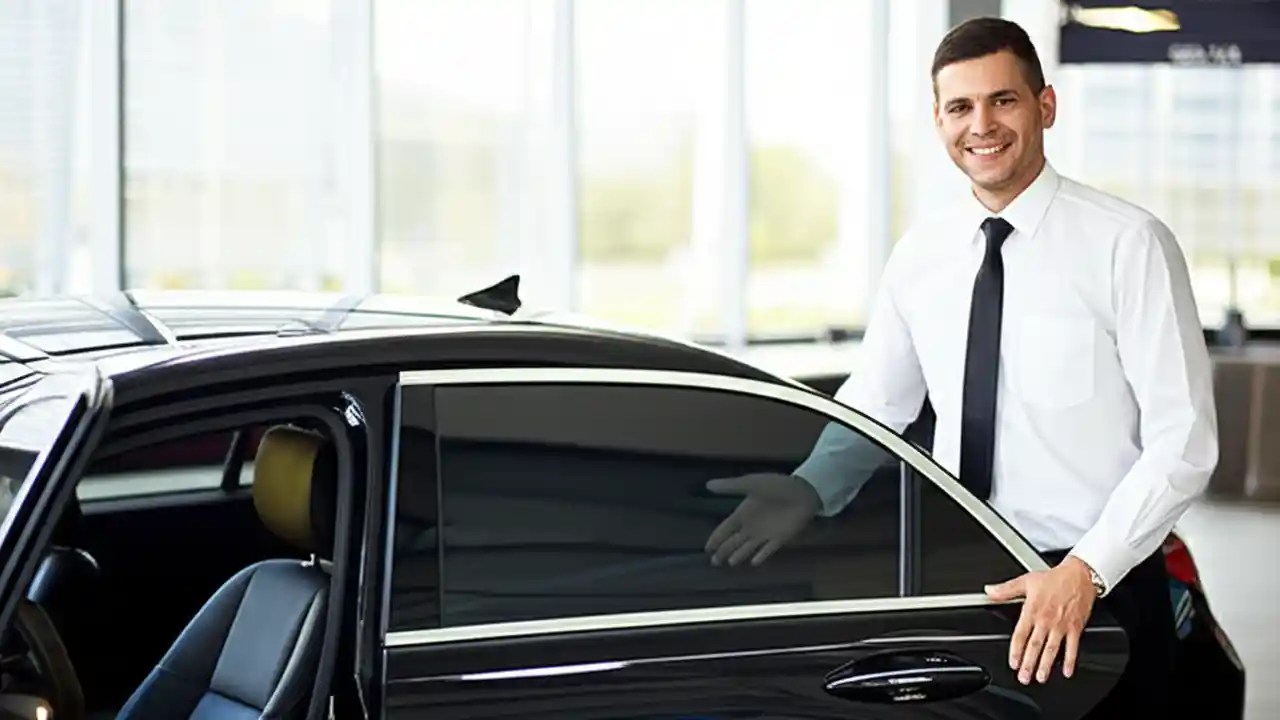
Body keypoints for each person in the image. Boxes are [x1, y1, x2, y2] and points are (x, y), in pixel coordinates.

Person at [703, 16, 1217, 714]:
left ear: (1046, 106)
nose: (983, 124)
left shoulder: (1130, 245)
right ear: (939, 120)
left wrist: (1085, 572)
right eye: (960, 107)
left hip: (1100, 593)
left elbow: (1184, 440)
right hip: (964, 585)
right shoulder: (923, 256)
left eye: (1003, 100)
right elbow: (880, 402)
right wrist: (810, 488)